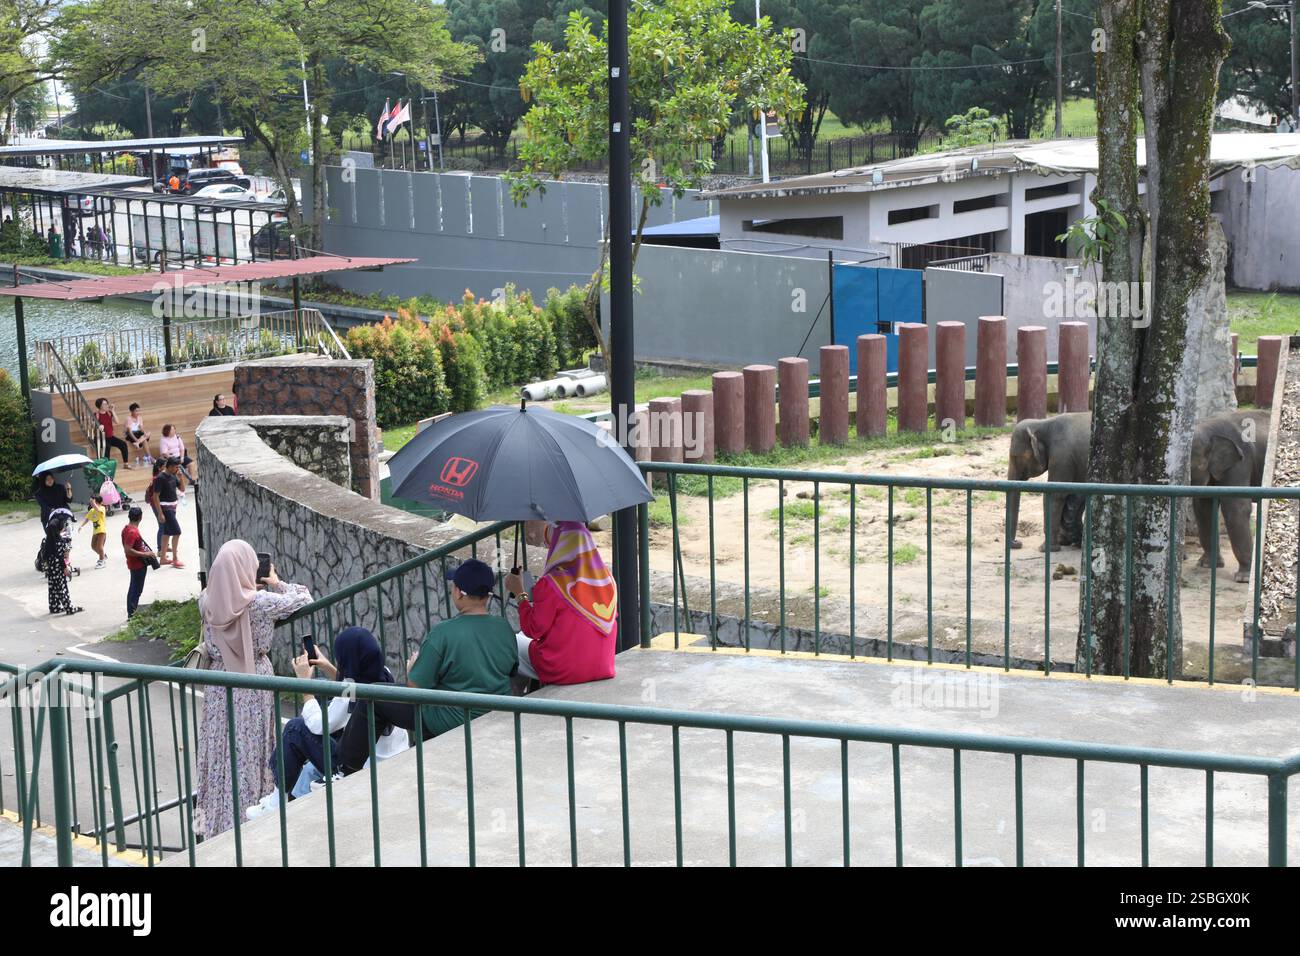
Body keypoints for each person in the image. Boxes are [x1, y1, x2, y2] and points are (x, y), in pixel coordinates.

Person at [339, 559, 516, 774]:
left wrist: (413, 668)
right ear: (487, 595)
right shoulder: (504, 628)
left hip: (453, 718)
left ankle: (346, 769)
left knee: (372, 698)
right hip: (494, 712)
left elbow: (415, 689)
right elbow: (510, 669)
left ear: (459, 592)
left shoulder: (444, 632)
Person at [195, 541, 311, 837]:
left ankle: (215, 824)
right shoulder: (259, 603)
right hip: (253, 682)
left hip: (219, 684)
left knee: (220, 752)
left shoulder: (207, 600)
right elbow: (304, 597)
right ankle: (250, 819)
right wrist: (275, 581)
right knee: (251, 750)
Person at [247, 627, 408, 817]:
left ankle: (276, 801)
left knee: (294, 729)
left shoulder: (350, 697)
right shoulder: (383, 675)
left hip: (360, 773)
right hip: (392, 764)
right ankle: (288, 795)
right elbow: (351, 688)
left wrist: (304, 683)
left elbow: (317, 724)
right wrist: (327, 666)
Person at [504, 521, 618, 686]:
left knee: (512, 642)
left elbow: (533, 629)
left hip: (563, 669)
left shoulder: (552, 583)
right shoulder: (606, 579)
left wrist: (520, 593)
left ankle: (518, 700)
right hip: (603, 666)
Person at [121, 506, 158, 617]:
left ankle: (131, 612)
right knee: (136, 590)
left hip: (133, 563)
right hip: (137, 564)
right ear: (141, 517)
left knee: (133, 588)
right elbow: (128, 550)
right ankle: (132, 614)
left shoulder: (126, 529)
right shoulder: (133, 532)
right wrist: (146, 554)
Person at [43, 513, 82, 616]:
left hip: (51, 567)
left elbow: (46, 556)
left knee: (53, 587)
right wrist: (65, 568)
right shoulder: (59, 542)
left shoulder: (48, 540)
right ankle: (69, 608)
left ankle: (54, 606)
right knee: (62, 587)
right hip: (59, 568)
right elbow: (61, 557)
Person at [33, 473, 73, 573]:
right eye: (47, 479)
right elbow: (44, 506)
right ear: (43, 481)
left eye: (51, 478)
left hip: (63, 516)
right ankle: (50, 560)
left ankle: (65, 561)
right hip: (49, 518)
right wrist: (52, 510)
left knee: (66, 539)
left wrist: (68, 489)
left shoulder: (60, 488)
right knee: (53, 540)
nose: (50, 480)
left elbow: (69, 500)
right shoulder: (39, 493)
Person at [154, 457, 184, 568]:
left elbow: (182, 489)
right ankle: (175, 559)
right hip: (166, 509)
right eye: (176, 467)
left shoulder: (173, 475)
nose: (177, 469)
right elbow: (155, 496)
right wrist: (160, 513)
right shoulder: (160, 477)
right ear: (170, 466)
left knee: (166, 533)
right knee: (177, 532)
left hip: (173, 508)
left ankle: (162, 558)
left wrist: (181, 478)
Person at [94, 398, 131, 467]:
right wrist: (98, 426)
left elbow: (117, 421)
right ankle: (106, 465)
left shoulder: (109, 413)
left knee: (123, 444)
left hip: (110, 437)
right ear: (100, 406)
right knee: (107, 446)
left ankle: (126, 463)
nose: (107, 405)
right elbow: (92, 426)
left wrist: (113, 411)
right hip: (100, 437)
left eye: (107, 403)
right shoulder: (96, 415)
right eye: (104, 404)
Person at [78, 494, 108, 568]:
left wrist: (93, 503)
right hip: (95, 532)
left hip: (101, 531)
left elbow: (97, 509)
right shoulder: (91, 510)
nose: (92, 503)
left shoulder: (102, 508)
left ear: (99, 502)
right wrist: (81, 526)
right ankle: (103, 556)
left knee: (99, 546)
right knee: (93, 546)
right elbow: (87, 519)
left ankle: (102, 561)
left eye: (94, 502)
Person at [124, 402, 152, 468]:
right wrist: (136, 440)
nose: (138, 412)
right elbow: (129, 432)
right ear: (131, 411)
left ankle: (138, 444)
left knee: (148, 433)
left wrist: (145, 433)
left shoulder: (139, 417)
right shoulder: (128, 418)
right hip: (130, 435)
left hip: (138, 433)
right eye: (136, 411)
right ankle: (150, 458)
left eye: (138, 411)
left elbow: (141, 428)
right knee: (144, 440)